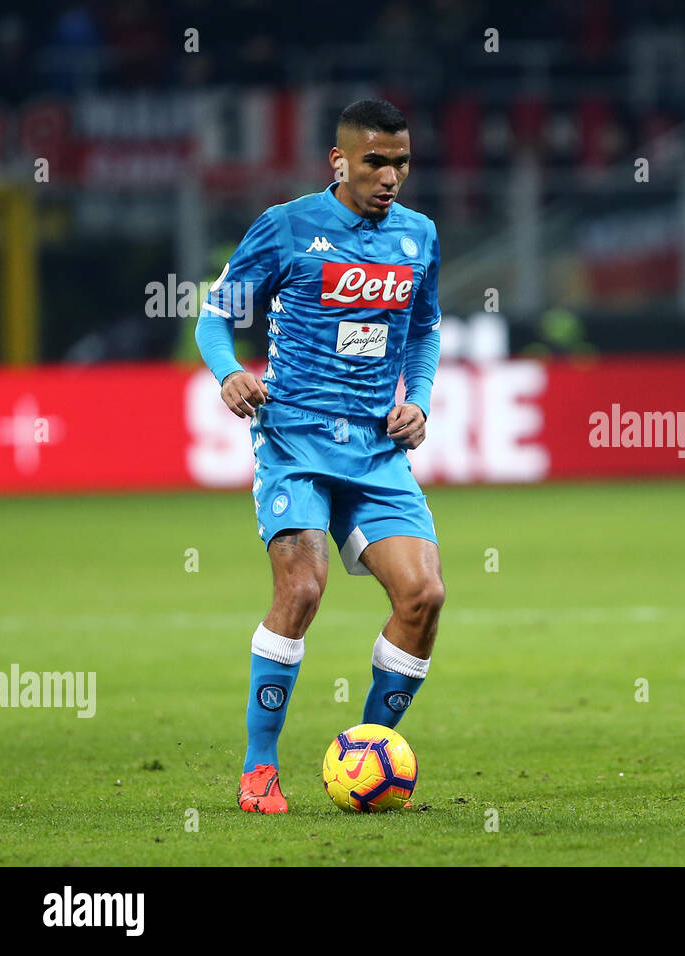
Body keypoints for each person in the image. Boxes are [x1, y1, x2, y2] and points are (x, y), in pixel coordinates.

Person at [195, 98, 444, 813]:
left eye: (400, 162)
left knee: (423, 597)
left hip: (376, 450)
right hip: (295, 442)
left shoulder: (418, 236)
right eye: (375, 162)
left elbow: (423, 327)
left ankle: (364, 750)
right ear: (340, 162)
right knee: (303, 590)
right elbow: (216, 317)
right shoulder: (287, 226)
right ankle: (259, 767)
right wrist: (230, 372)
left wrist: (417, 398)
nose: (390, 176)